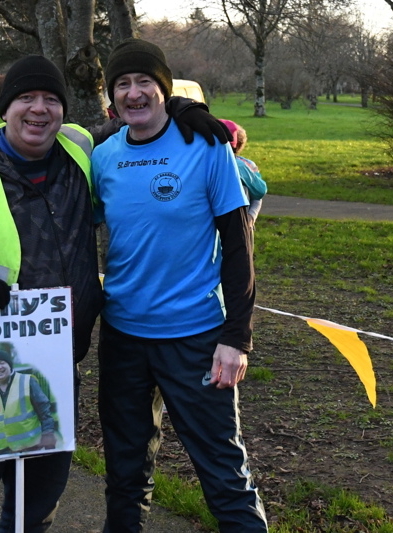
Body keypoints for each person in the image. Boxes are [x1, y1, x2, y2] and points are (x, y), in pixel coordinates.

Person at [0, 53, 232, 533]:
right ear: (4, 108)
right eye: (26, 98)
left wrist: (183, 108)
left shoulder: (80, 150)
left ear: (64, 110)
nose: (39, 110)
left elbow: (137, 112)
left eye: (51, 99)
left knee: (36, 510)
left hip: (51, 369)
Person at [91, 38, 269, 533]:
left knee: (224, 474)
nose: (134, 93)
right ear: (112, 96)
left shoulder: (206, 147)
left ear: (163, 89)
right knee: (125, 473)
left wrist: (237, 337)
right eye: (122, 84)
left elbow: (238, 246)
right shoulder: (103, 158)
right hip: (124, 337)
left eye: (144, 81)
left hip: (196, 338)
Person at [0, 347, 57, 455]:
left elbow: (44, 411)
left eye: (2, 363)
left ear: (10, 366)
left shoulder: (27, 381)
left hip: (31, 447)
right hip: (2, 451)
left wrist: (48, 436)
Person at [220, 118, 267, 224]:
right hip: (239, 222)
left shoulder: (200, 162)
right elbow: (260, 191)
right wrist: (251, 217)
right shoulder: (242, 165)